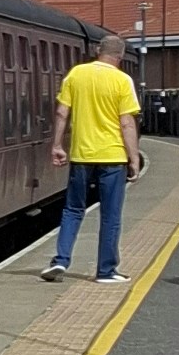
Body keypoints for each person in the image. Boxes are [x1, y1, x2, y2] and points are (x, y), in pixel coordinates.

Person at [46, 38, 142, 278]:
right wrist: (133, 158)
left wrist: (57, 144)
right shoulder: (122, 80)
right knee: (110, 215)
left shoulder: (76, 74)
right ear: (120, 57)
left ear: (98, 51)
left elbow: (61, 111)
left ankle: (61, 260)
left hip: (81, 155)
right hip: (112, 157)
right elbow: (127, 123)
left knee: (72, 209)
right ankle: (106, 271)